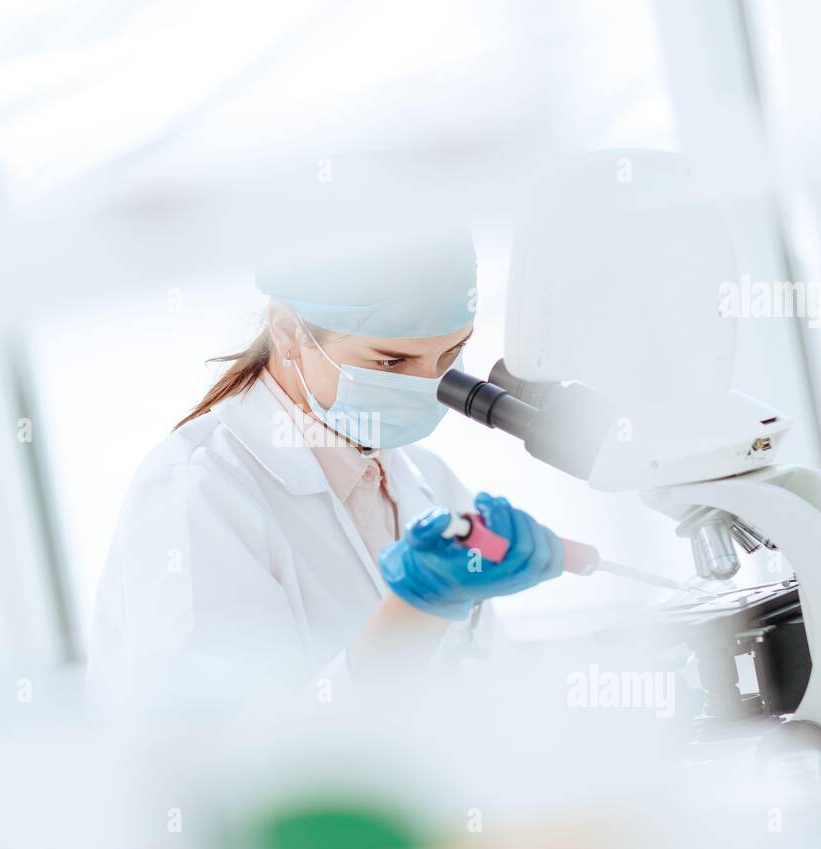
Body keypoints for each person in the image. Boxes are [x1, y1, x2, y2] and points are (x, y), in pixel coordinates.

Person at [89, 156, 564, 703]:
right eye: (390, 363)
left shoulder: (427, 482)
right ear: (289, 332)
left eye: (449, 356)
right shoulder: (198, 491)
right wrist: (415, 615)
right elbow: (232, 761)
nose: (427, 386)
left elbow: (485, 697)